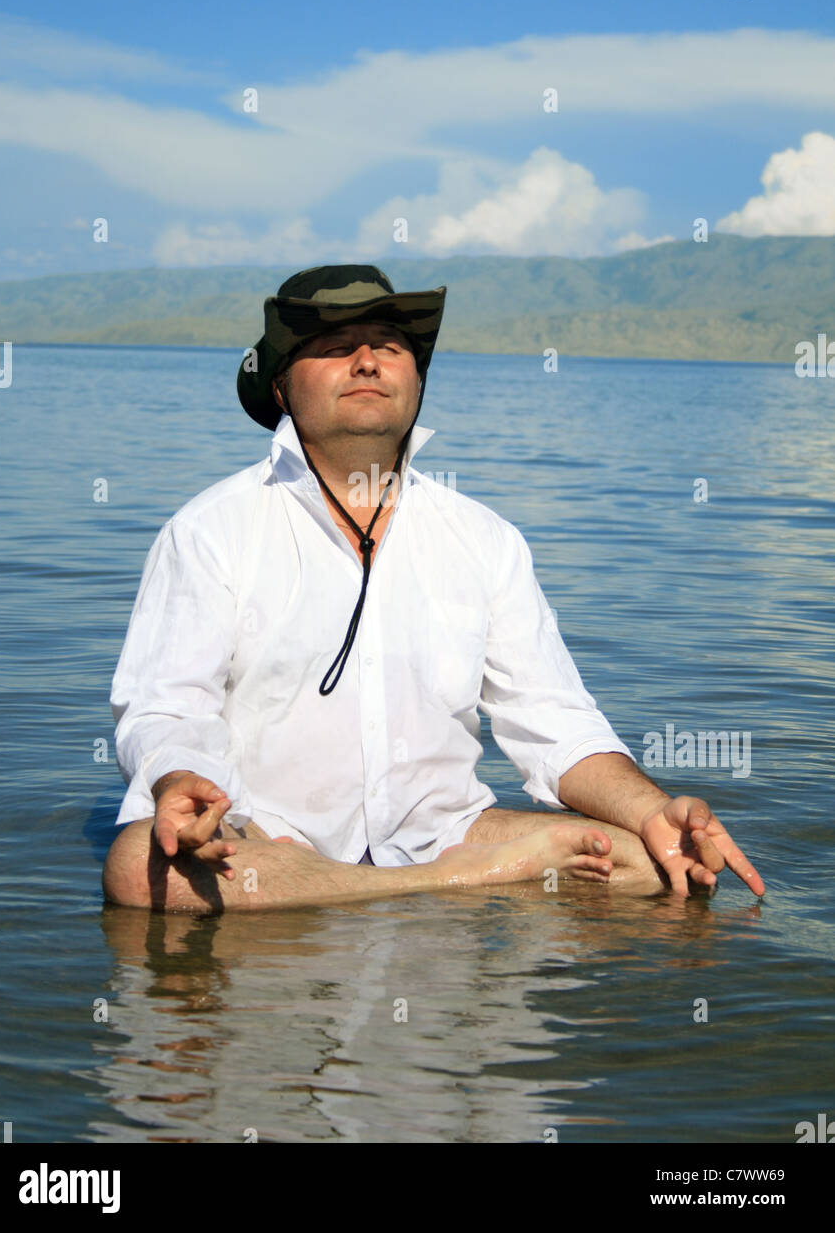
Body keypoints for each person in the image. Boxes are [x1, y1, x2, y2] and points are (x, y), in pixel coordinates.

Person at [102, 264, 765, 913]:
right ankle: (465, 883)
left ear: (416, 381)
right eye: (335, 348)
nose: (367, 362)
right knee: (140, 868)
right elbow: (166, 706)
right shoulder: (210, 531)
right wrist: (180, 777)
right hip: (270, 837)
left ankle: (425, 880)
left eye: (389, 348)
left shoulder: (482, 537)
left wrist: (655, 810)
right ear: (280, 388)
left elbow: (555, 720)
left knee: (661, 858)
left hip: (445, 835)